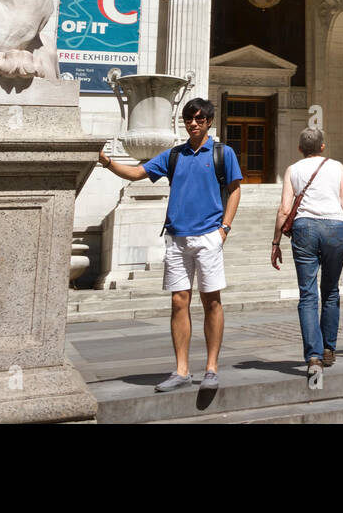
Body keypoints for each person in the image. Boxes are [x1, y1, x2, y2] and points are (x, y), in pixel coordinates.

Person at [98, 97, 242, 392]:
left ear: (209, 122)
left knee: (211, 300)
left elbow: (235, 190)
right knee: (179, 302)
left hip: (208, 237)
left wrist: (224, 229)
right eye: (190, 118)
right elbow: (138, 173)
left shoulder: (222, 153)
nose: (193, 123)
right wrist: (108, 162)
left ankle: (211, 368)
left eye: (200, 119)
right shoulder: (174, 155)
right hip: (176, 237)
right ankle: (181, 370)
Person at [271, 127, 343, 381]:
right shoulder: (337, 167)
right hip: (336, 227)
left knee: (308, 294)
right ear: (323, 147)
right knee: (330, 291)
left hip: (305, 228)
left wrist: (276, 242)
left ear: (300, 149)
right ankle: (329, 348)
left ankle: (313, 356)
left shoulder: (293, 170)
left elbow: (284, 208)